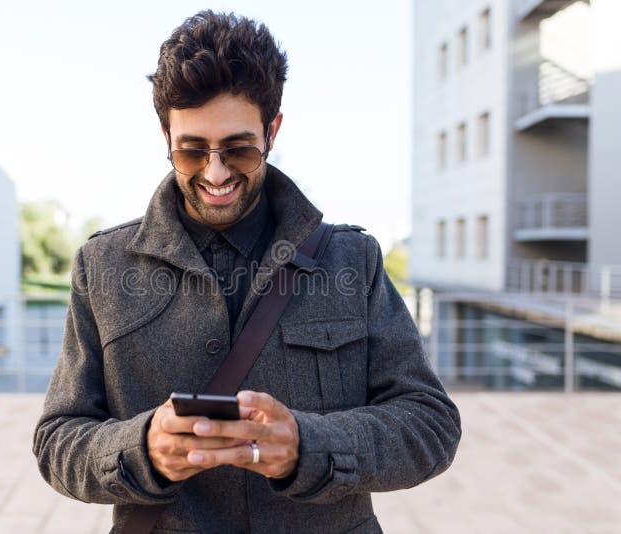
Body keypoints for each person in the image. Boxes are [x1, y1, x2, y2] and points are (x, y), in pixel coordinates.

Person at [33, 10, 461, 534]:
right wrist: (141, 448)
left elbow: (431, 426)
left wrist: (309, 446)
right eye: (191, 150)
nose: (215, 172)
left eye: (238, 148)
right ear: (164, 133)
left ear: (273, 130)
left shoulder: (354, 260)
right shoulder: (101, 266)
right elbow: (57, 439)